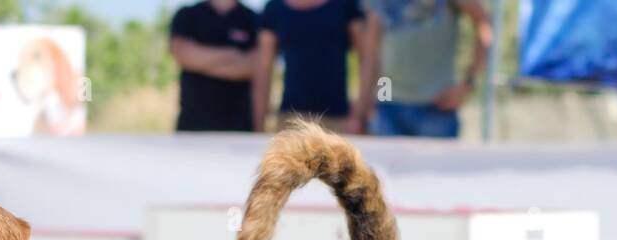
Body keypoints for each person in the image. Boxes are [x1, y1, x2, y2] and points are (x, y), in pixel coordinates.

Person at [358, 0, 493, 138]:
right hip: (386, 104)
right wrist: (361, 111)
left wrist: (468, 84)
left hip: (436, 107)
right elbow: (370, 51)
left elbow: (484, 23)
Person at [254, 0, 366, 134]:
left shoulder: (346, 5)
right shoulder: (274, 8)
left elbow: (366, 57)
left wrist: (359, 114)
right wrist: (259, 128)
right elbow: (264, 68)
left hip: (339, 121)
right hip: (290, 122)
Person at [169, 0, 260, 132]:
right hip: (192, 129)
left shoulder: (253, 19)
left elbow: (256, 66)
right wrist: (233, 54)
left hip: (239, 130)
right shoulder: (187, 15)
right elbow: (182, 55)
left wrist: (199, 61)